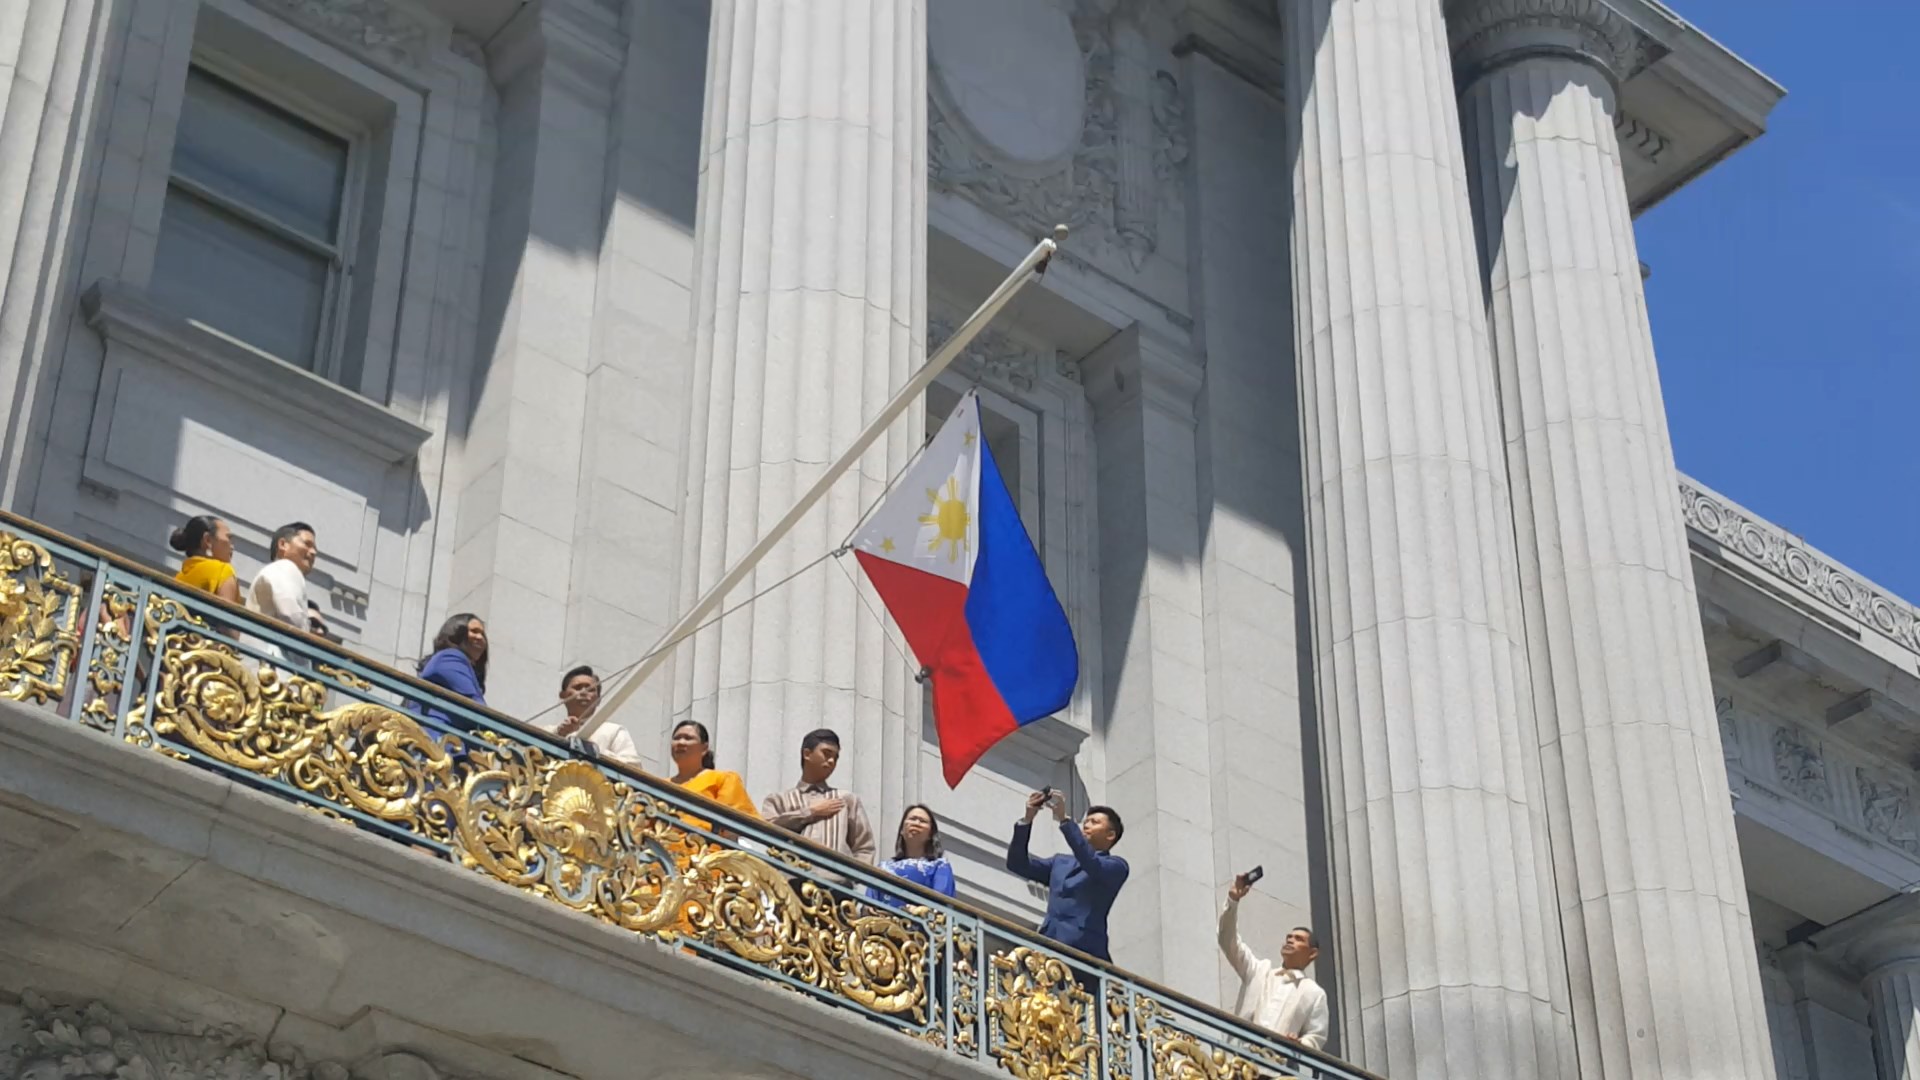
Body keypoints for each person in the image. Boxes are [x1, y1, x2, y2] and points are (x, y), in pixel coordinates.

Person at [1006, 790, 1128, 962]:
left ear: (1110, 835)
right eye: (1086, 822)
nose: (1087, 825)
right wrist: (1027, 819)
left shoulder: (1116, 866)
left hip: (1086, 953)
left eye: (1095, 822)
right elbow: (1017, 864)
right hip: (1050, 945)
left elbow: (1092, 864)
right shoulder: (1060, 862)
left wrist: (1064, 820)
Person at [1219, 874, 1329, 1051]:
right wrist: (1233, 900)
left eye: (1298, 939)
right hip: (1239, 1060)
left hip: (1277, 1069)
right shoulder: (1260, 971)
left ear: (1312, 953)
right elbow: (1228, 941)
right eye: (1289, 937)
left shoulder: (1313, 992)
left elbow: (1317, 1034)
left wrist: (1300, 1043)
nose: (1290, 940)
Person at [760, 729, 876, 864]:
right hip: (788, 879)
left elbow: (864, 847)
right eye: (826, 754)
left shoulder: (846, 799)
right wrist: (810, 813)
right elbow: (767, 831)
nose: (832, 761)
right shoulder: (778, 799)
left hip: (836, 882)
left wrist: (851, 876)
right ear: (807, 754)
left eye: (836, 757)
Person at [548, 665, 643, 767]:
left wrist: (594, 750)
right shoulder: (550, 731)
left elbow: (634, 765)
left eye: (590, 689)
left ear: (598, 699)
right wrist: (559, 734)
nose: (584, 692)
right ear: (563, 695)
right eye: (577, 688)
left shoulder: (614, 731)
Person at [669, 720, 758, 821]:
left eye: (688, 738)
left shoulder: (723, 779)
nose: (680, 742)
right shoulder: (662, 784)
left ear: (704, 748)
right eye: (676, 738)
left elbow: (732, 824)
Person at [869, 804, 956, 907]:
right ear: (902, 830)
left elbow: (942, 902)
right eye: (912, 819)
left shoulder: (939, 865)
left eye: (922, 821)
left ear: (930, 834)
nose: (917, 823)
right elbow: (870, 900)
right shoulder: (883, 867)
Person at [252, 521, 328, 637]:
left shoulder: (272, 571)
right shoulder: (286, 567)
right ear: (283, 544)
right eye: (307, 544)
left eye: (314, 549)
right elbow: (291, 616)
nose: (313, 552)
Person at [415, 613, 487, 729]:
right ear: (456, 633)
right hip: (434, 734)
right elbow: (476, 706)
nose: (480, 637)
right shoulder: (449, 657)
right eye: (474, 631)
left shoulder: (456, 662)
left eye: (482, 634)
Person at [168, 515, 241, 604]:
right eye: (228, 538)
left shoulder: (178, 578)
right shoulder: (223, 571)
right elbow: (227, 615)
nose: (232, 546)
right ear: (208, 540)